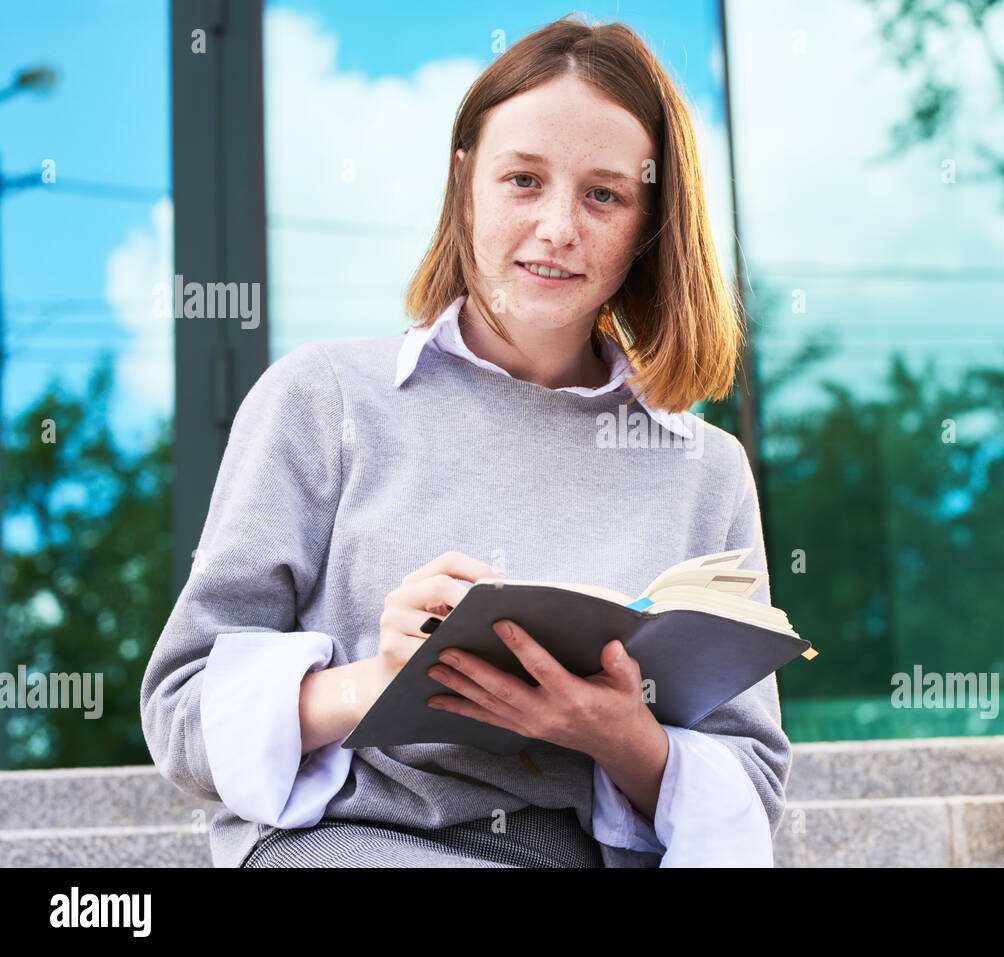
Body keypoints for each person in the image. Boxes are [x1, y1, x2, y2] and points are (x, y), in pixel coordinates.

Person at [140, 14, 791, 868]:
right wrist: (377, 678)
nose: (559, 226)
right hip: (358, 841)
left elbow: (754, 786)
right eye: (523, 179)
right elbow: (183, 710)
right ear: (465, 183)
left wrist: (623, 737)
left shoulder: (704, 468)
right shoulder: (324, 399)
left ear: (647, 223)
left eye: (604, 194)